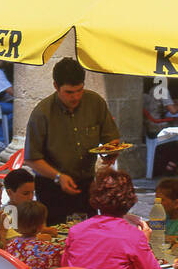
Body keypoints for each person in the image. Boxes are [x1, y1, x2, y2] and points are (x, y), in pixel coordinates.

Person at [24, 57, 120, 226]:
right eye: (69, 92)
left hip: (86, 184)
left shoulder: (95, 102)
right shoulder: (42, 113)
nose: (75, 97)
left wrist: (111, 153)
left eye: (79, 90)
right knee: (58, 237)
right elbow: (32, 158)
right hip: (52, 187)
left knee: (88, 234)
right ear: (56, 86)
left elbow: (111, 138)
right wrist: (58, 177)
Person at [1, 167, 36, 236]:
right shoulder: (8, 213)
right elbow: (13, 240)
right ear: (10, 193)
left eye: (33, 193)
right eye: (26, 194)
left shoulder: (27, 210)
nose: (31, 197)